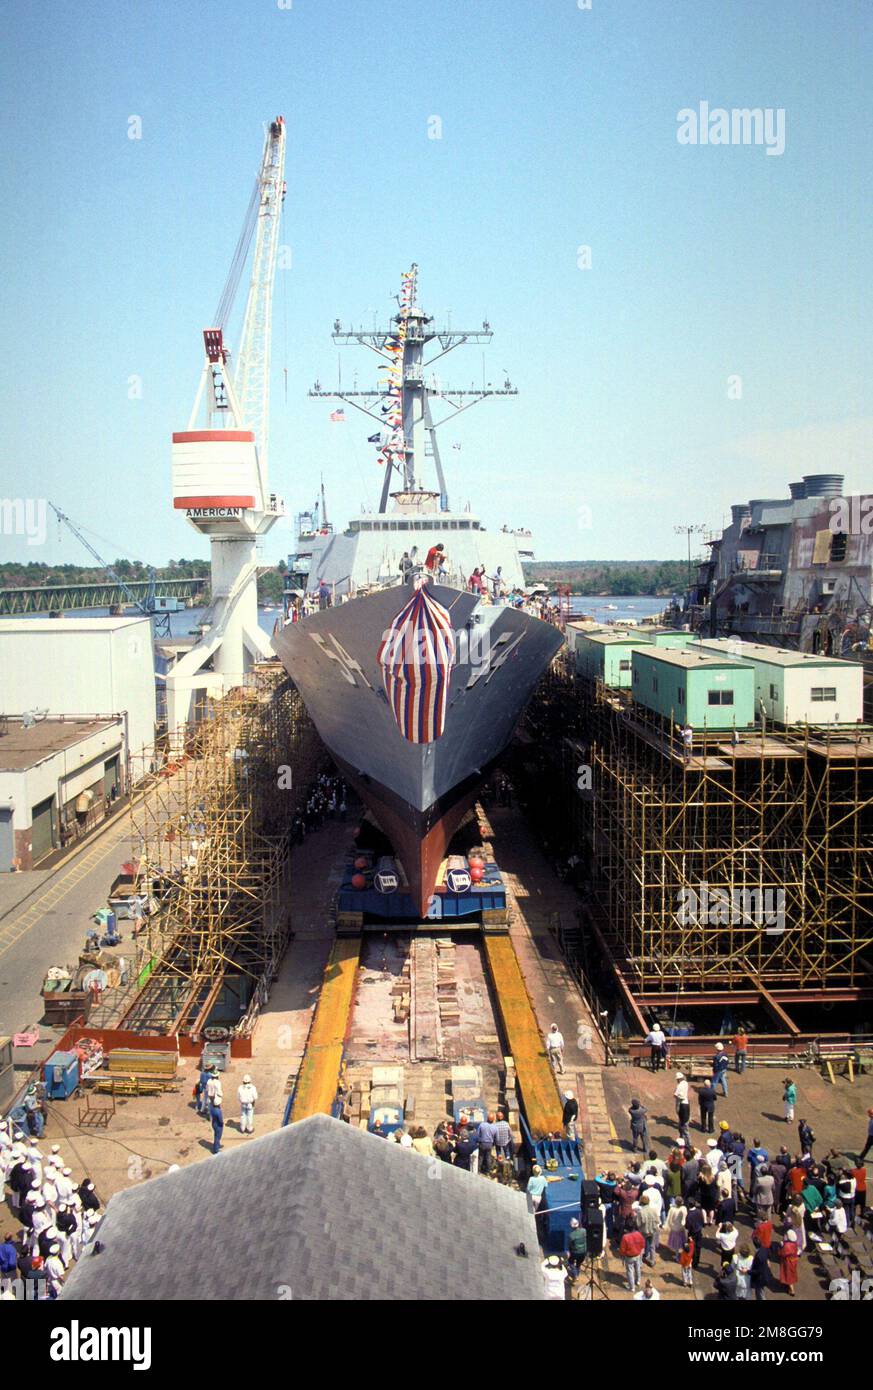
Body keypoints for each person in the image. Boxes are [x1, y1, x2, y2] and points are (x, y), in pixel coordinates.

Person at [636, 1192, 660, 1267]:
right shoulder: (654, 1210)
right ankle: (652, 1261)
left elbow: (638, 1224)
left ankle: (640, 1263)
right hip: (653, 1230)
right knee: (652, 1246)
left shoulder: (640, 1212)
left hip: (644, 1231)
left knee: (641, 1247)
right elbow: (658, 1221)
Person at [619, 1225, 645, 1292]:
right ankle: (638, 1281)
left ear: (627, 1230)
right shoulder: (638, 1234)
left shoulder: (625, 1237)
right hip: (638, 1255)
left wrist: (622, 1256)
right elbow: (643, 1244)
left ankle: (632, 1287)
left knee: (630, 1271)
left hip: (629, 1257)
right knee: (638, 1268)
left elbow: (622, 1249)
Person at [777, 1230, 799, 1296]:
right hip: (793, 1261)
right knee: (791, 1274)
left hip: (788, 1262)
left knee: (789, 1276)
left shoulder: (787, 1246)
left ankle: (792, 1290)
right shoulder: (794, 1244)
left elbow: (781, 1253)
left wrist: (781, 1247)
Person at [750, 1236, 770, 1301]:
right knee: (759, 1292)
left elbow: (757, 1270)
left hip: (760, 1278)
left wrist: (748, 1271)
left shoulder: (758, 1256)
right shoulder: (765, 1249)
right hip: (765, 1273)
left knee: (760, 1293)